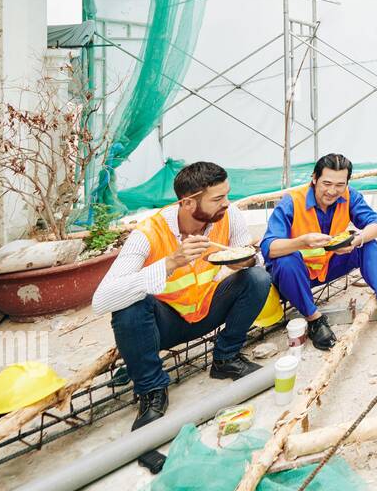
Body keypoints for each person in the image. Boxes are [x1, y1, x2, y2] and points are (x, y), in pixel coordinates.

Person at [92, 161, 269, 430]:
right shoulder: (148, 234)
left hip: (207, 309)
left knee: (257, 278)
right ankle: (152, 388)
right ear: (187, 203)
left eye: (227, 195)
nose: (227, 203)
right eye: (218, 198)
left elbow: (253, 258)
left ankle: (226, 358)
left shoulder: (228, 215)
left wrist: (243, 262)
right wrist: (169, 263)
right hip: (166, 326)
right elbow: (101, 300)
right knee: (129, 306)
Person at [261, 152, 377, 350]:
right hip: (295, 276)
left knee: (366, 243)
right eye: (327, 183)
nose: (332, 191)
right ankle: (314, 320)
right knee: (286, 260)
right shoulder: (292, 202)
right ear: (314, 179)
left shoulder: (349, 196)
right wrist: (302, 242)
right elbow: (268, 247)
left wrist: (357, 239)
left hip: (328, 265)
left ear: (347, 183)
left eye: (340, 185)